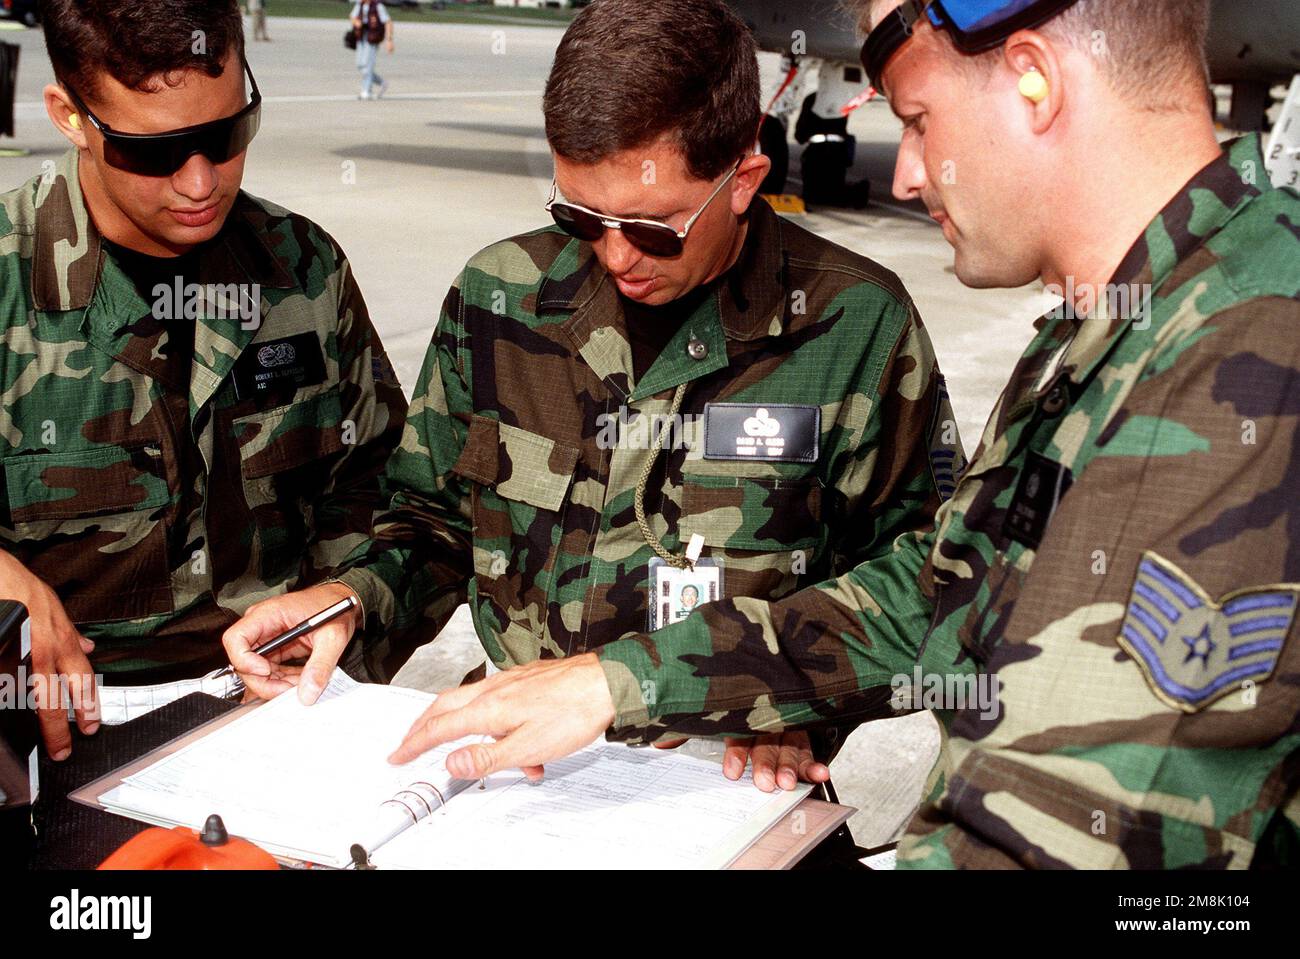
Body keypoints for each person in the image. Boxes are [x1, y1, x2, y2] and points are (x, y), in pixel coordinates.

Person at [390, 0, 1300, 869]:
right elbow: (935, 586)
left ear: (1034, 80)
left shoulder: (1244, 361)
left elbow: (1064, 827)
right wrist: (618, 683)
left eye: (917, 118)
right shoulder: (1123, 334)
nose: (903, 175)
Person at [224, 0, 965, 797]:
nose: (616, 256)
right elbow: (432, 525)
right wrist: (352, 601)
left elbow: (934, 589)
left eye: (653, 228)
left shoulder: (857, 327)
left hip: (725, 778)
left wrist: (796, 707)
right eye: (581, 215)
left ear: (744, 180)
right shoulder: (498, 296)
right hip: (517, 768)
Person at [0, 0, 410, 759]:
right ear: (69, 115)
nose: (200, 182)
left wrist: (342, 606)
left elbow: (396, 499)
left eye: (225, 136)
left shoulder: (301, 270)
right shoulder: (5, 283)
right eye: (156, 151)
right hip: (51, 736)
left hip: (275, 717)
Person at [350, 1, 393, 101]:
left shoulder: (378, 6)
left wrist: (389, 40)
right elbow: (352, 16)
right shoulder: (359, 5)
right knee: (360, 65)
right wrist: (356, 22)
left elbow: (388, 22)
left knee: (368, 65)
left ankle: (366, 91)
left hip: (373, 37)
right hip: (361, 36)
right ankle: (382, 83)